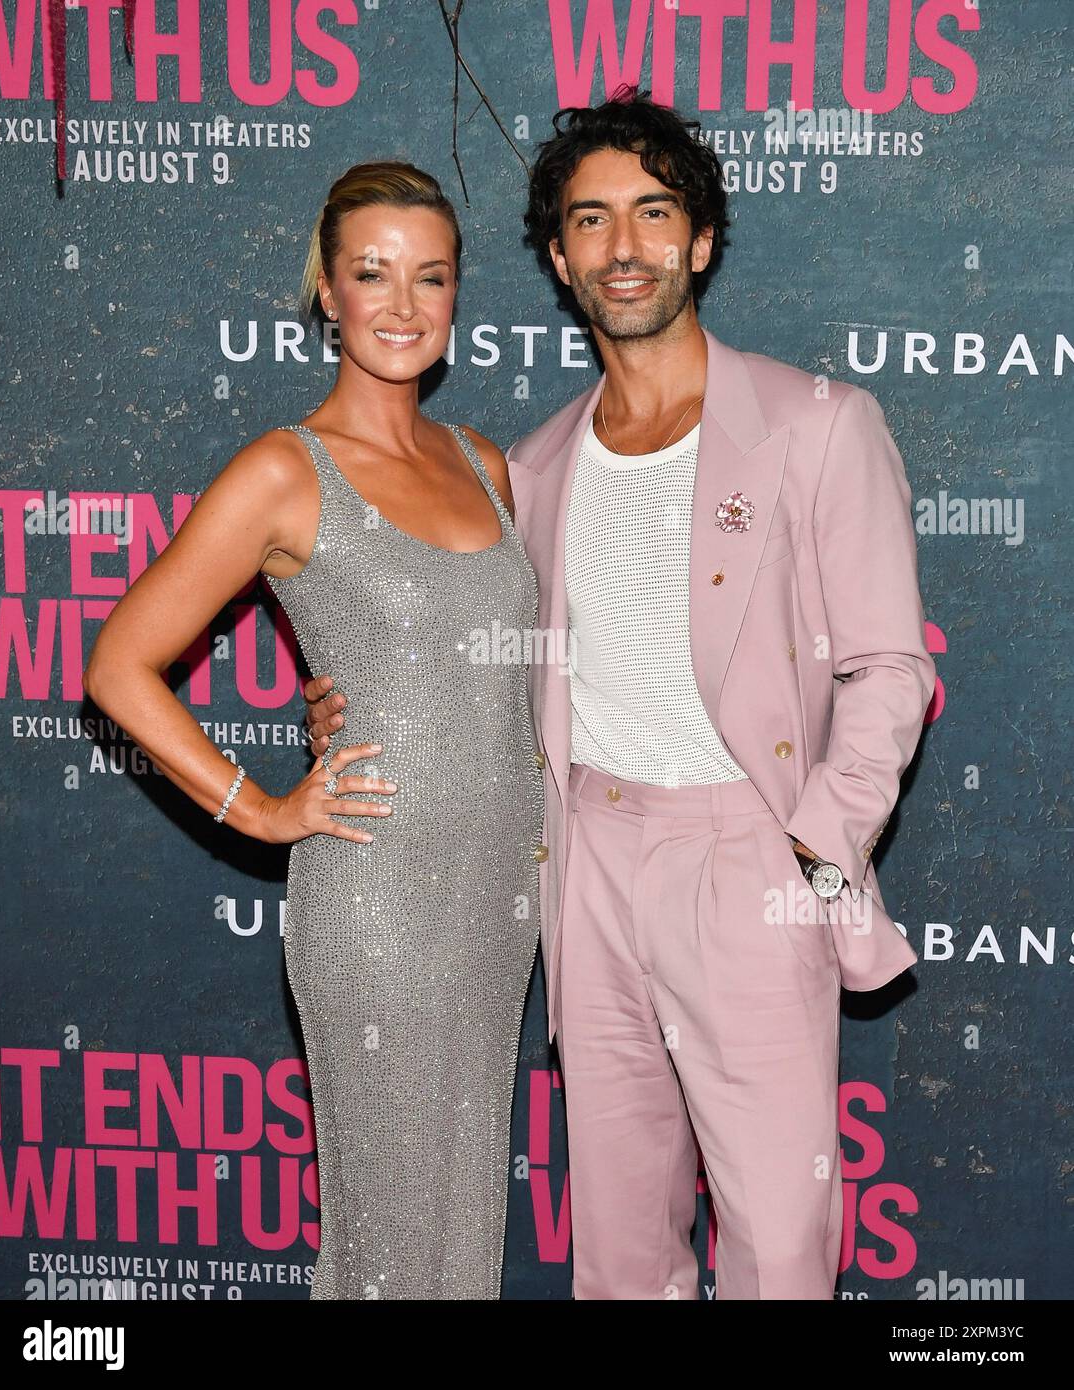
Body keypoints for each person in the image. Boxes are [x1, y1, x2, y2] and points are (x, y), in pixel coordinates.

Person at [304, 91, 936, 1300]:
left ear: (700, 238)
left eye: (654, 213)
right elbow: (450, 641)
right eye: (591, 221)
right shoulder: (532, 467)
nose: (624, 245)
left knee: (780, 1246)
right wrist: (340, 705)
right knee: (619, 1246)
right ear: (557, 258)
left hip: (749, 856)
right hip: (583, 863)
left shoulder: (816, 426)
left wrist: (814, 845)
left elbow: (889, 666)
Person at [83, 162, 543, 1300]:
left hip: (497, 898)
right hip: (377, 897)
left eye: (429, 277)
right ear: (326, 293)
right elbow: (117, 666)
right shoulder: (287, 470)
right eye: (371, 274)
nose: (401, 303)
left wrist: (354, 685)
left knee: (461, 1226)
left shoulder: (484, 464)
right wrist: (266, 807)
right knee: (388, 1239)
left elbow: (483, 672)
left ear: (455, 297)